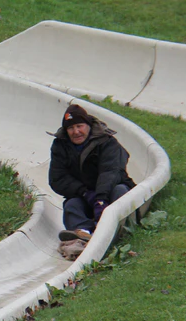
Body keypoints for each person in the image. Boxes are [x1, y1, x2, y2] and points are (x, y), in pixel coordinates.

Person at [49, 103, 134, 242]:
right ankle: (83, 232)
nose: (76, 132)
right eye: (71, 128)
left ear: (88, 125)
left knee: (120, 191)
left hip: (109, 192)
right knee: (71, 205)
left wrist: (100, 199)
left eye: (79, 126)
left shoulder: (107, 143)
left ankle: (121, 229)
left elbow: (110, 172)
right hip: (85, 196)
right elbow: (57, 178)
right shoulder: (60, 146)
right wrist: (84, 193)